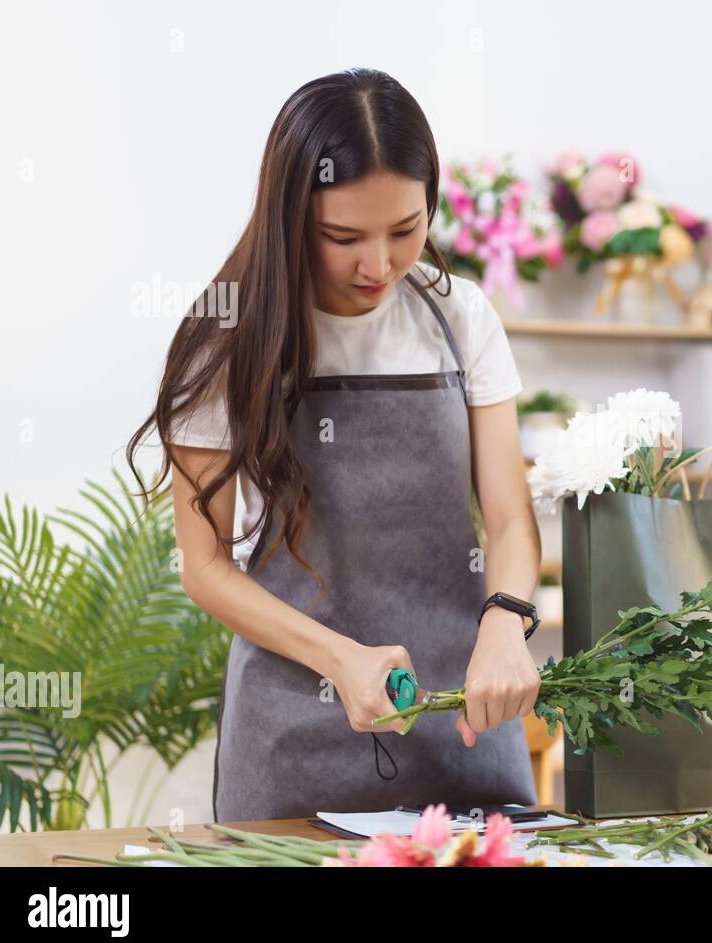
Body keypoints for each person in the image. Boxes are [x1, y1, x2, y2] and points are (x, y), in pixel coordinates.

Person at [125, 68, 542, 822]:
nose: (378, 265)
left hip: (463, 719)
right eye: (342, 236)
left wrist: (508, 620)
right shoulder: (224, 342)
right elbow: (206, 565)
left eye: (405, 230)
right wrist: (340, 659)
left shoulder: (460, 319)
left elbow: (510, 519)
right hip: (294, 733)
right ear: (289, 215)